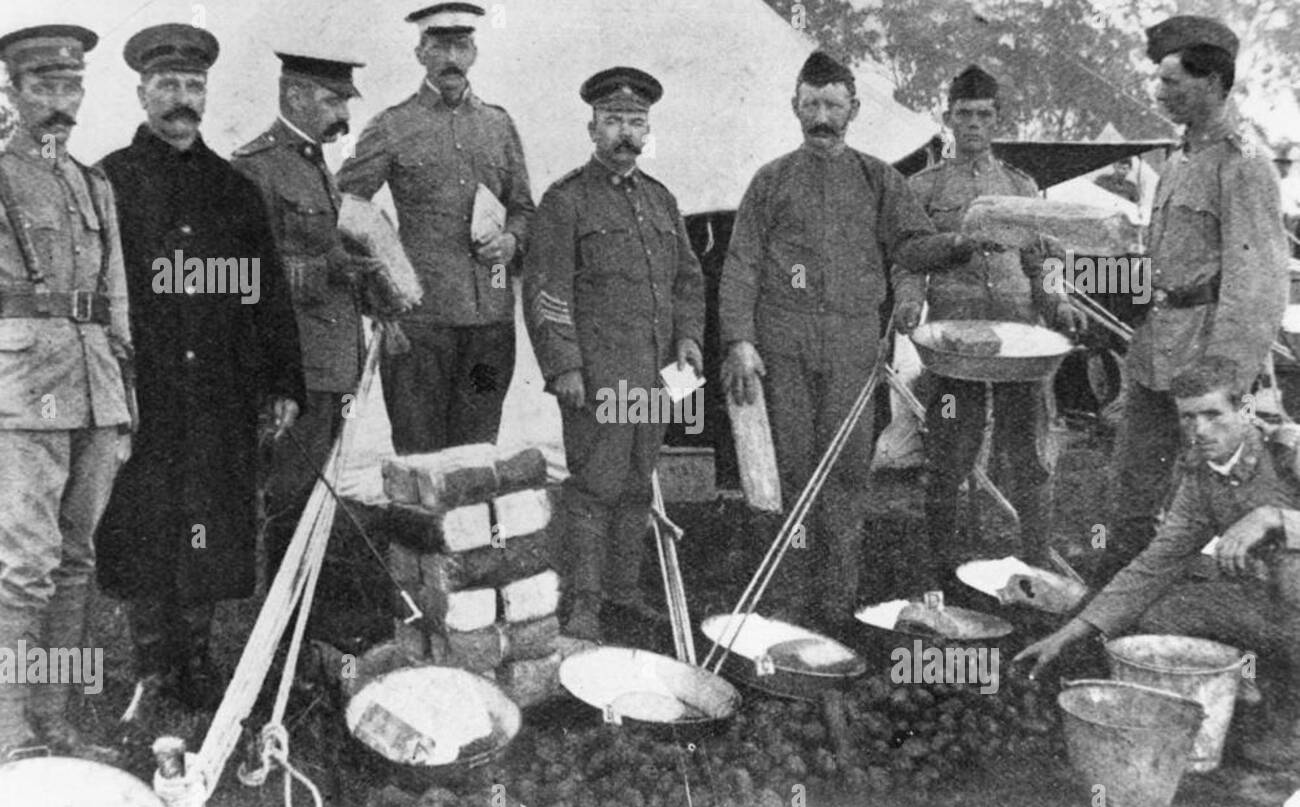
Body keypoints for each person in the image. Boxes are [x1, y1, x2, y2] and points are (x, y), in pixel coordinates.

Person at [717, 50, 989, 626]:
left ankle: (835, 608)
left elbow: (911, 244)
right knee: (788, 474)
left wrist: (961, 243)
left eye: (833, 104)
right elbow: (740, 263)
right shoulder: (770, 181)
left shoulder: (878, 179)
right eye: (811, 103)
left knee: (844, 477)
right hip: (782, 348)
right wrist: (740, 339)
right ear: (795, 106)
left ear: (853, 110)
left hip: (853, 350)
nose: (821, 115)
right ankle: (784, 605)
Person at [96, 24, 305, 712]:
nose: (183, 99)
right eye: (168, 86)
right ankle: (154, 663)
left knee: (210, 520)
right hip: (144, 390)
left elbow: (265, 293)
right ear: (142, 92)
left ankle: (199, 657)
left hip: (220, 389)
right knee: (146, 519)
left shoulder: (234, 189)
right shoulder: (111, 182)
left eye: (193, 86)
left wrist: (281, 380)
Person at [1016, 356, 1300, 770]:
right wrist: (1067, 634)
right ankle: (1251, 684)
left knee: (1292, 573)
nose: (1199, 430)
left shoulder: (1288, 452)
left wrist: (1274, 518)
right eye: (1188, 417)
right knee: (1163, 613)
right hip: (1268, 600)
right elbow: (1154, 566)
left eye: (1213, 414)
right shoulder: (1200, 477)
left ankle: (1291, 719)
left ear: (1244, 410)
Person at [524, 67, 705, 641]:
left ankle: (624, 594)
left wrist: (687, 339)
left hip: (653, 378)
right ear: (592, 127)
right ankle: (584, 606)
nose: (625, 132)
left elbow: (686, 280)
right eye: (613, 121)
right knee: (593, 487)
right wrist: (565, 367)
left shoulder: (660, 199)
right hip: (600, 379)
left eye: (636, 121)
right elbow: (546, 290)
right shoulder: (566, 200)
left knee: (635, 484)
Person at [1105, 15, 1289, 576]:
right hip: (1155, 350)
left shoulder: (1245, 164)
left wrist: (1224, 378)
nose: (1160, 93)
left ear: (1212, 82)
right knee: (1132, 486)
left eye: (1172, 82)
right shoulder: (1180, 157)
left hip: (1205, 358)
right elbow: (1169, 267)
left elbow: (1255, 284)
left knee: (1208, 496)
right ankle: (1119, 599)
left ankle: (1225, 614)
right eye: (1159, 80)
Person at [892, 65, 1084, 586]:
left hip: (1020, 339)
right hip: (957, 344)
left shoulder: (1020, 187)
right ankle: (944, 568)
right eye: (964, 114)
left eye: (983, 114)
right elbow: (909, 258)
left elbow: (1043, 261)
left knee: (1028, 451)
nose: (973, 123)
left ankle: (1036, 563)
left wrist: (1057, 304)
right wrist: (910, 304)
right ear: (948, 118)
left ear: (997, 119)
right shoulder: (925, 186)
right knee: (950, 449)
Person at [0, 25, 132, 762]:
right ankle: (8, 733)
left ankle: (54, 721)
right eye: (44, 88)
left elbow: (116, 300)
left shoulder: (92, 182)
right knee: (24, 567)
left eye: (70, 88)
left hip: (95, 392)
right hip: (20, 393)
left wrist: (124, 401)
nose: (60, 103)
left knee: (76, 558)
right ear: (13, 93)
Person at [338, 2, 535, 454]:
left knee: (477, 451)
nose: (451, 57)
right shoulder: (391, 126)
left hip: (489, 329)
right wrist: (377, 285)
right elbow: (344, 208)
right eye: (439, 46)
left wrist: (511, 240)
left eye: (461, 45)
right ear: (419, 52)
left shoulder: (499, 126)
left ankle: (468, 527)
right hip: (420, 329)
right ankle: (423, 531)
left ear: (474, 53)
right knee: (420, 458)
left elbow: (524, 208)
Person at [231, 51, 371, 551]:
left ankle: (308, 624)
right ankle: (279, 622)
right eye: (332, 100)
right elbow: (247, 281)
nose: (344, 115)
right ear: (293, 95)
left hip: (335, 366)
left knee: (318, 501)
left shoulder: (317, 167)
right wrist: (329, 270)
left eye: (344, 101)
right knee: (289, 498)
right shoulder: (255, 170)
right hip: (295, 368)